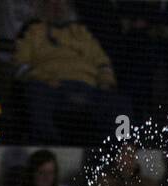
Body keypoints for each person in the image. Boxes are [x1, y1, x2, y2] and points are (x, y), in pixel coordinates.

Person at [13, 0, 126, 144]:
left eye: (61, 3)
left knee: (120, 103)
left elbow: (103, 63)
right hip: (51, 87)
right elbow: (20, 65)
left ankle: (122, 147)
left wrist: (106, 82)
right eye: (52, 3)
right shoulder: (33, 32)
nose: (57, 6)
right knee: (36, 93)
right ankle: (50, 144)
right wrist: (44, 79)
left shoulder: (82, 33)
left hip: (88, 88)